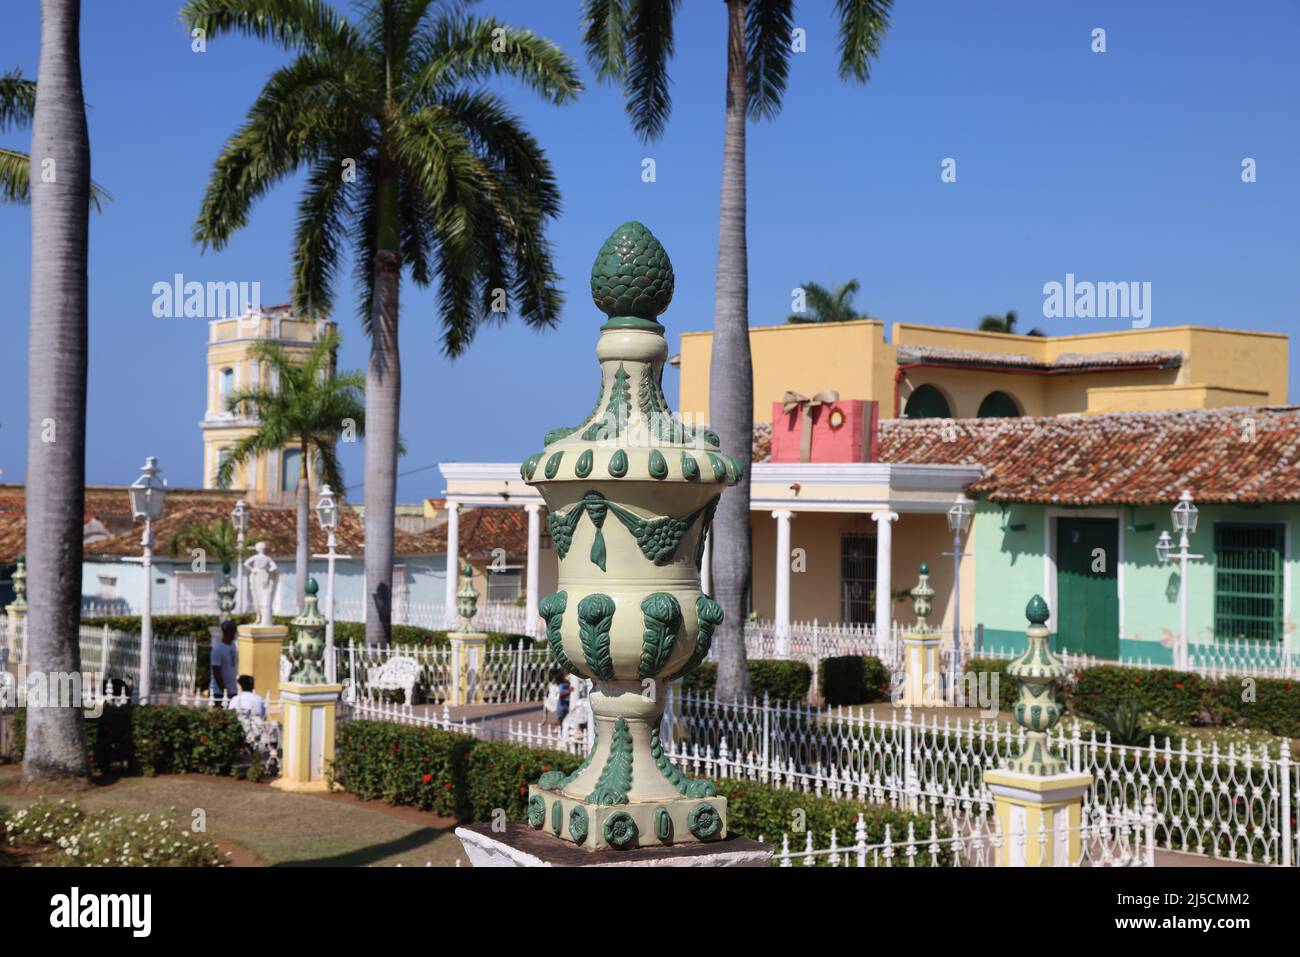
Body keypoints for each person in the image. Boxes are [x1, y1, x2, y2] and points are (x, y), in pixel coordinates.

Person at [210, 620, 239, 703]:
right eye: (233, 630)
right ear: (227, 632)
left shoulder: (233, 645)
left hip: (232, 690)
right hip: (219, 691)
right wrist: (225, 690)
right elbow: (216, 672)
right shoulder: (218, 649)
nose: (235, 633)